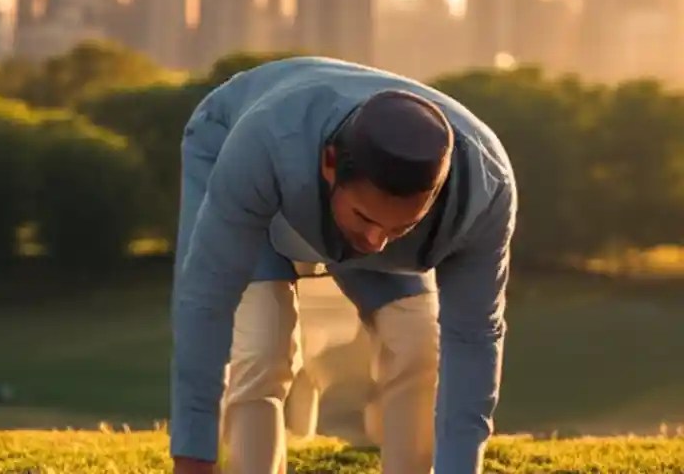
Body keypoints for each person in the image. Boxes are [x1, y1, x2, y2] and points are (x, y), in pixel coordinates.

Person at [171, 57, 516, 474]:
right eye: (367, 219)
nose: (375, 243)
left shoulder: (484, 193)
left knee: (416, 340)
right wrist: (193, 457)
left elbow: (475, 337)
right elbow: (205, 301)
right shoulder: (263, 142)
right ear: (330, 164)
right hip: (241, 162)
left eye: (401, 225)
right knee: (262, 343)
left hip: (334, 205)